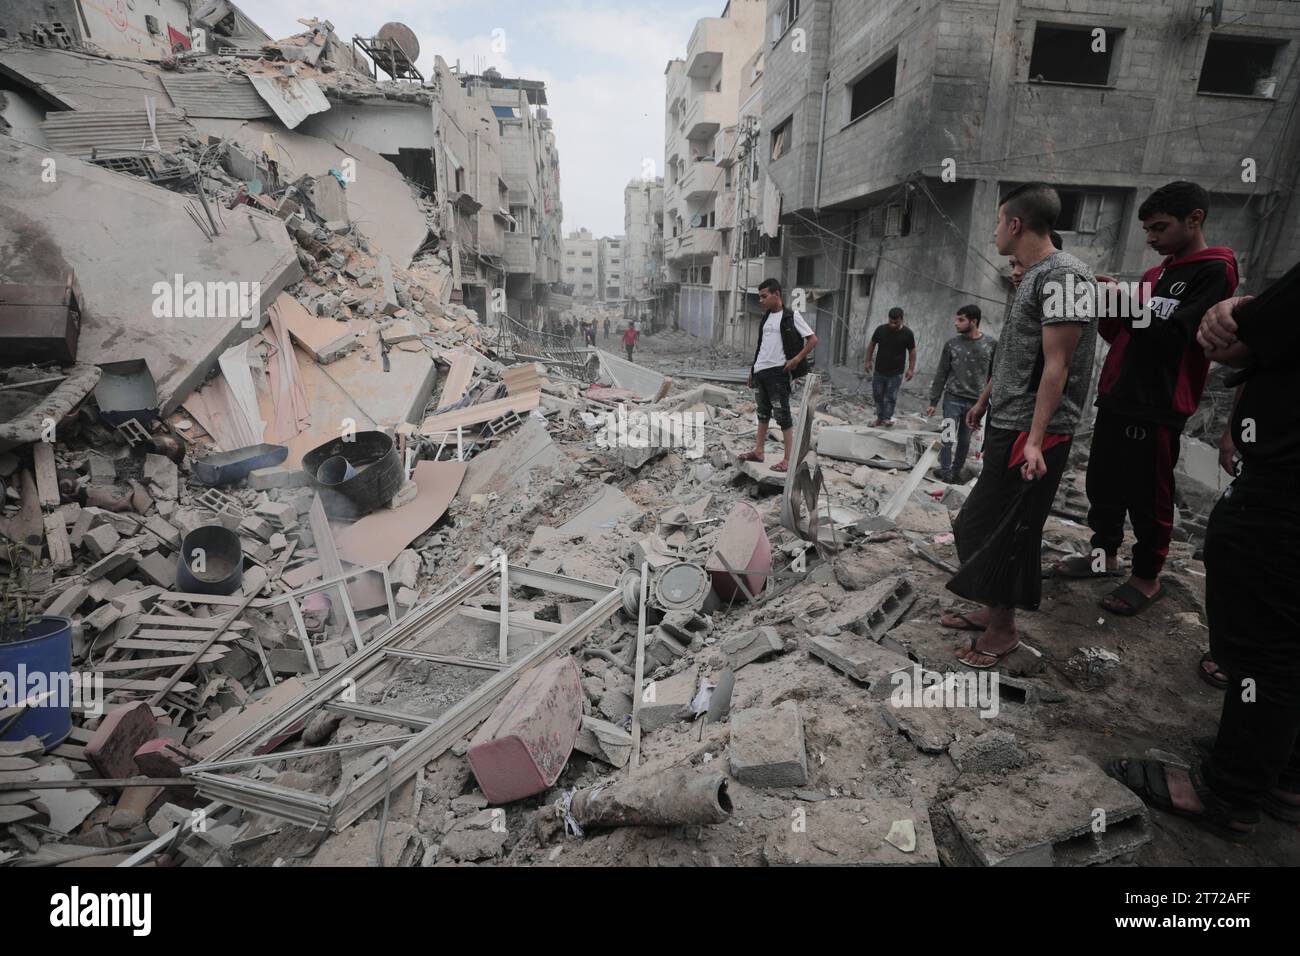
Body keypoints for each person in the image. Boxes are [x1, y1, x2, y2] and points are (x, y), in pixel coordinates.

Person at [1107, 261, 1300, 842]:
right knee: (1286, 641)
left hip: (1285, 491)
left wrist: (1241, 311)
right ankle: (1284, 773)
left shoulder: (1209, 271)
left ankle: (1230, 789)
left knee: (1262, 647)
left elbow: (1247, 332)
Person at [1052, 181, 1239, 619]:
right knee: (1103, 482)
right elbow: (1121, 335)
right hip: (1118, 395)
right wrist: (1111, 302)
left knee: (1148, 492)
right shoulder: (1156, 276)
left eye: (1160, 227)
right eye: (1147, 230)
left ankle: (1147, 576)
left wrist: (1123, 299)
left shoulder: (1215, 271)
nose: (1151, 239)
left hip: (1157, 403)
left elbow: (1177, 337)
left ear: (1195, 219)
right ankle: (1104, 555)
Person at [942, 183, 1098, 668]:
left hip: (1036, 432)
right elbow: (1016, 354)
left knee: (1004, 527)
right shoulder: (1034, 276)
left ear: (1014, 224)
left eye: (995, 222)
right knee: (984, 524)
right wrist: (986, 402)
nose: (992, 233)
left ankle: (1005, 630)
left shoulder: (1064, 278)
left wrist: (1034, 441)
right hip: (1010, 422)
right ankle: (992, 610)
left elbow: (1058, 366)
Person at [738, 278, 817, 473]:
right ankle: (759, 451)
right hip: (761, 371)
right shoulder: (766, 318)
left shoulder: (791, 316)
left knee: (783, 415)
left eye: (764, 296)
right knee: (763, 412)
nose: (761, 301)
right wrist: (753, 370)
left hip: (778, 373)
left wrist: (796, 360)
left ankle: (788, 460)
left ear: (777, 294)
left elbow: (812, 339)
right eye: (760, 297)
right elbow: (761, 346)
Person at [926, 305, 997, 483]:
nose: (956, 323)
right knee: (948, 437)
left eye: (961, 319)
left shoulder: (990, 345)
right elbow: (941, 372)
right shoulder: (952, 344)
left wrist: (988, 402)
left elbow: (994, 375)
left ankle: (955, 472)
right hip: (952, 398)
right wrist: (933, 401)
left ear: (973, 321)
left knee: (965, 440)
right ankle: (946, 472)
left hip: (976, 403)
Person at [865, 307, 916, 426]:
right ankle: (879, 418)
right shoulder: (881, 330)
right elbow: (872, 344)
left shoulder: (907, 334)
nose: (893, 325)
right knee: (877, 395)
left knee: (890, 396)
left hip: (896, 372)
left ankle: (886, 418)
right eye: (891, 322)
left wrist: (911, 369)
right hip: (879, 370)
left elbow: (912, 351)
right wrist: (868, 360)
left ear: (901, 319)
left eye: (896, 322)